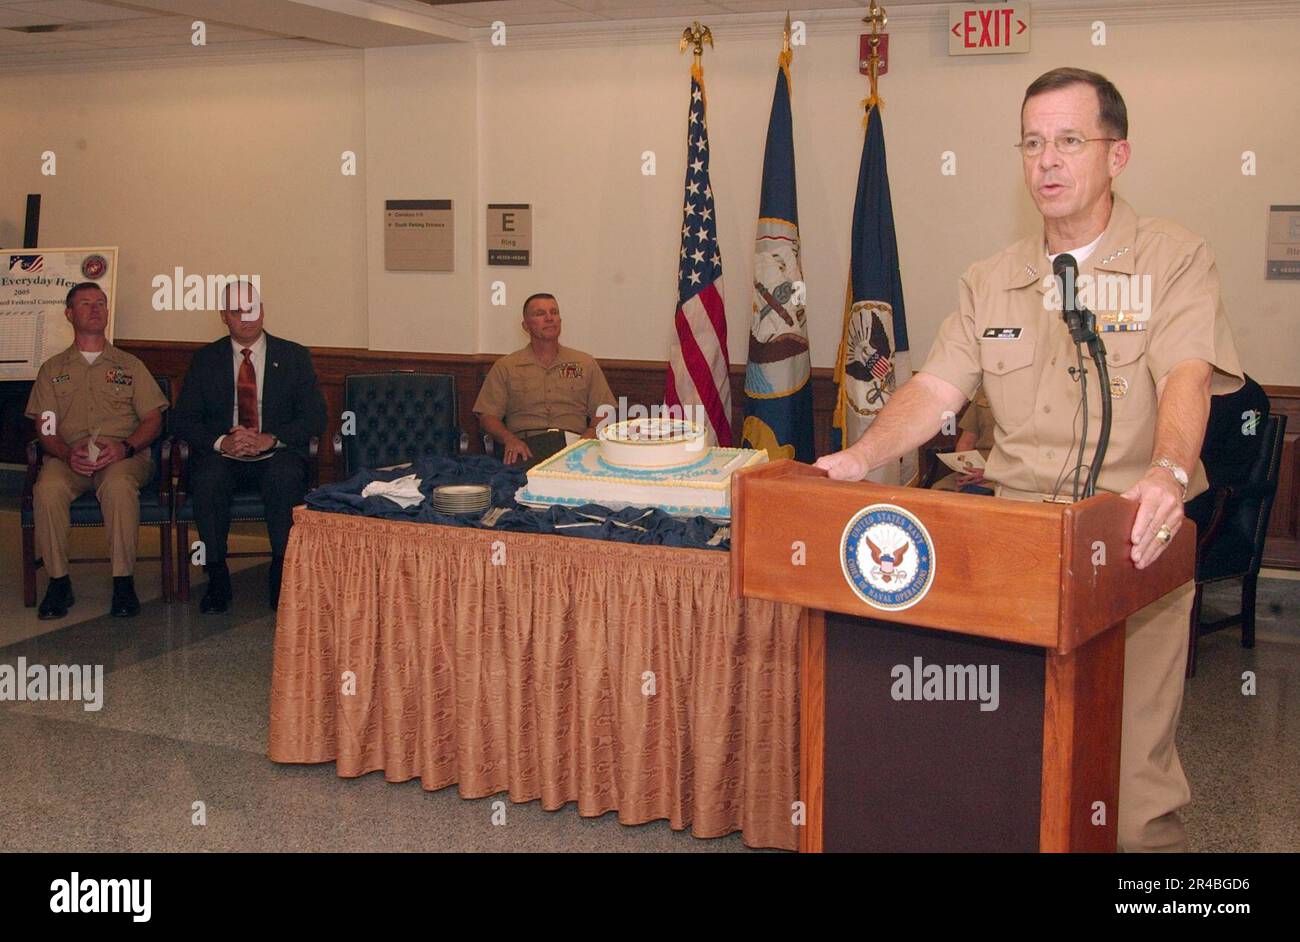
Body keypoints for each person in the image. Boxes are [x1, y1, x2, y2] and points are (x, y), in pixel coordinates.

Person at [816, 67, 1243, 852]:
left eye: (1070, 141)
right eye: (1033, 142)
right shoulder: (993, 280)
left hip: (1129, 542)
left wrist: (1168, 472)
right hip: (1014, 551)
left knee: (1130, 779)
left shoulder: (1172, 260)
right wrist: (863, 455)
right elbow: (937, 389)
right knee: (1013, 755)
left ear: (1117, 156)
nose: (1047, 161)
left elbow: (1187, 376)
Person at [172, 281, 326, 613]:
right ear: (223, 316)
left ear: (263, 310)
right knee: (207, 479)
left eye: (252, 308)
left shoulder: (293, 356)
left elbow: (315, 417)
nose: (246, 317)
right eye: (237, 311)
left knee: (286, 476)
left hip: (276, 453)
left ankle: (281, 575)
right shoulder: (205, 359)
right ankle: (216, 576)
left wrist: (272, 437)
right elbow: (183, 419)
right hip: (223, 455)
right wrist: (222, 441)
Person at [25, 283, 167, 619]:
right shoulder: (52, 369)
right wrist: (63, 452)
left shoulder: (130, 365)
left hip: (123, 457)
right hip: (67, 457)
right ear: (69, 314)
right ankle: (59, 583)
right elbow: (45, 426)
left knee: (118, 487)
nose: (95, 309)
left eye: (101, 303)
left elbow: (152, 420)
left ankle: (123, 582)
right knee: (46, 490)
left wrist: (126, 446)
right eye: (85, 303)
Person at [473, 293, 616, 464]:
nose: (549, 318)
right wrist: (509, 439)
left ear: (560, 321)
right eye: (540, 314)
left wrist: (586, 440)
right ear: (526, 326)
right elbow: (488, 416)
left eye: (554, 312)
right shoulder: (507, 366)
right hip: (525, 447)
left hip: (574, 445)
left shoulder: (584, 363)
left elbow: (605, 411)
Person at [931, 386, 994, 493]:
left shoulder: (1030, 394)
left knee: (974, 495)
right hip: (974, 468)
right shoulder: (986, 390)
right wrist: (963, 469)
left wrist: (992, 473)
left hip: (1010, 474)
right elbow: (966, 442)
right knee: (936, 494)